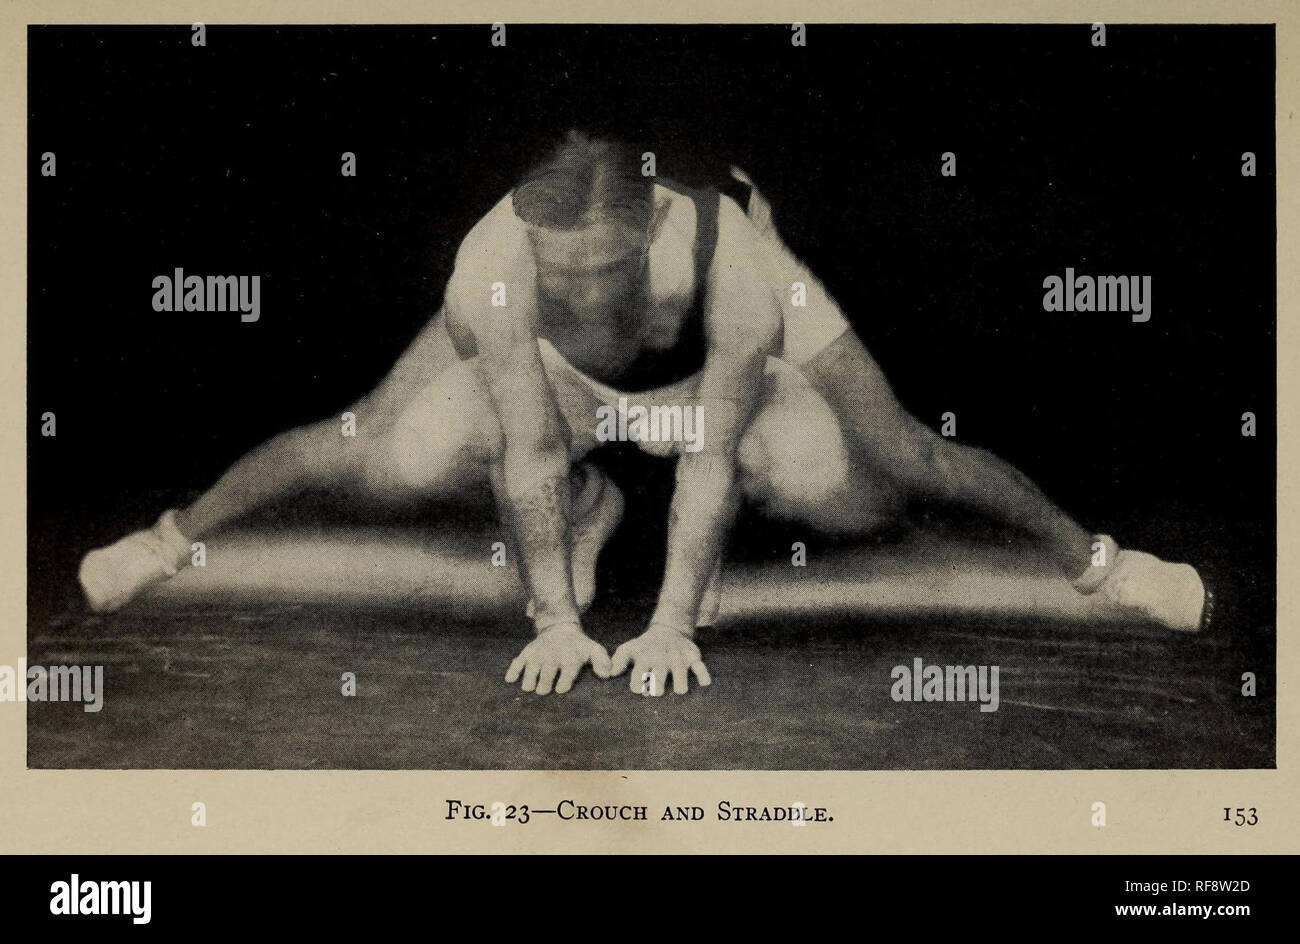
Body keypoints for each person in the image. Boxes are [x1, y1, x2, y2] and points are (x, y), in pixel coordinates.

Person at [79, 130, 1209, 697]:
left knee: (882, 467)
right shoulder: (491, 269)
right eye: (556, 275)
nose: (581, 292)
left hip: (722, 385)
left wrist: (671, 625)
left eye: (604, 273)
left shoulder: (735, 265)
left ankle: (1103, 563)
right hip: (558, 403)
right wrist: (554, 619)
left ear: (655, 228)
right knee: (380, 444)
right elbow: (521, 446)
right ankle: (169, 537)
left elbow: (712, 455)